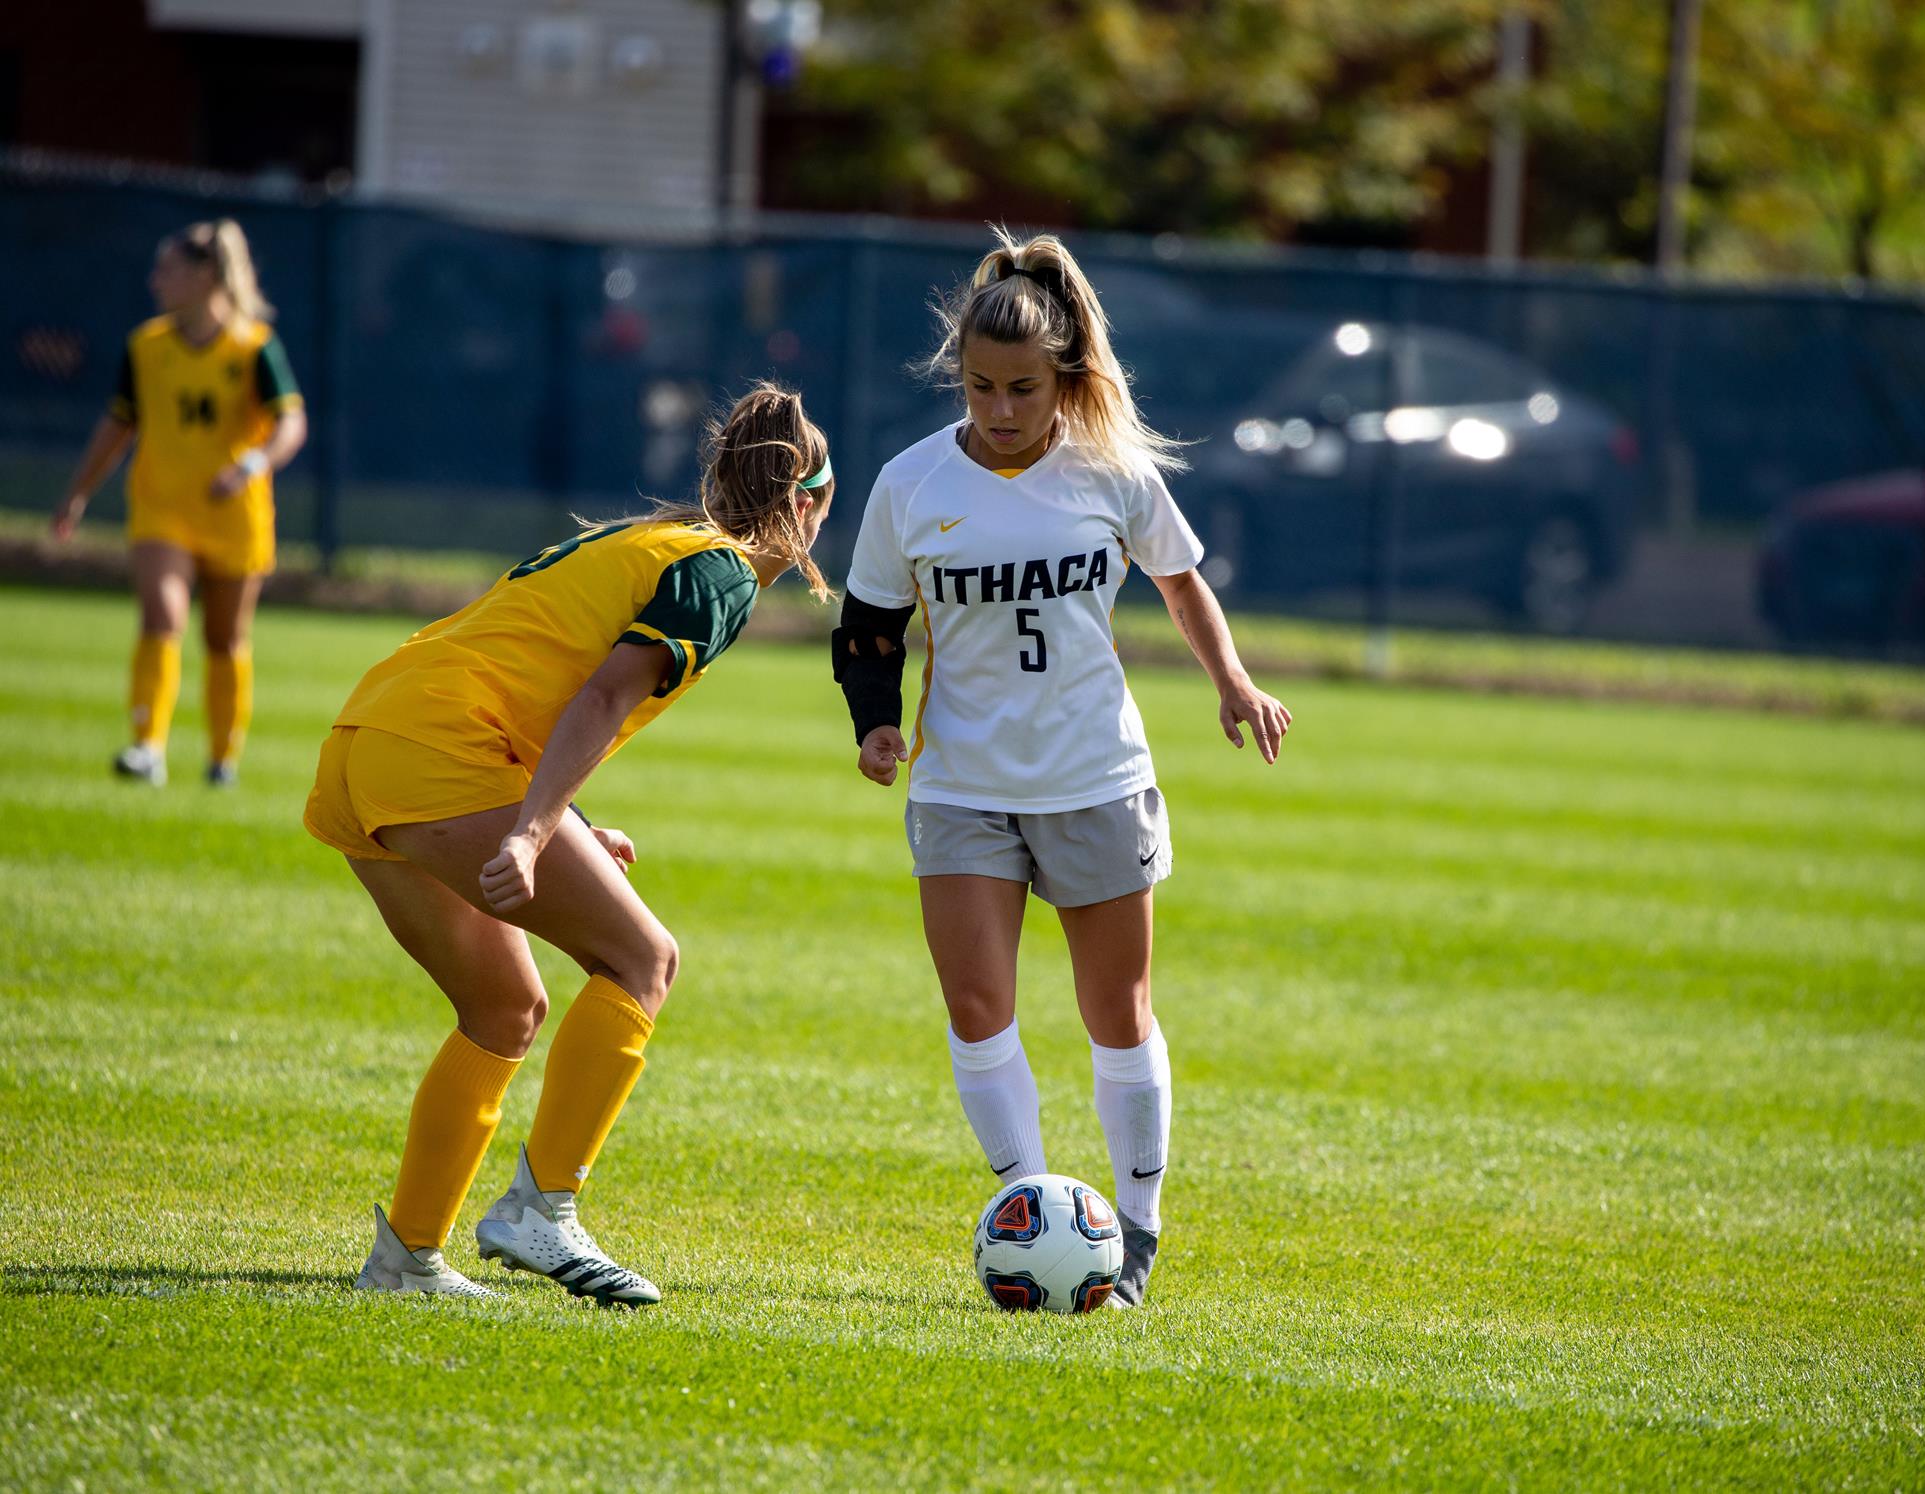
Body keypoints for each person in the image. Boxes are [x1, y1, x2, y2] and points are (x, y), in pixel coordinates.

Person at [832, 230, 1292, 1309]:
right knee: (977, 1003)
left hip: (1093, 776)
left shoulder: (1111, 472)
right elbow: (868, 624)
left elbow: (1180, 583)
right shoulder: (910, 483)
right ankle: (1035, 1208)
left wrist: (1230, 679)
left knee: (1115, 1011)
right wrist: (874, 725)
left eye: (1022, 389)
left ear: (1064, 379)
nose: (998, 409)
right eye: (981, 387)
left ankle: (1132, 1235)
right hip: (961, 785)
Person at [305, 383, 835, 1302]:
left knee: (503, 1006)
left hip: (369, 741)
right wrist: (535, 829)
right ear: (807, 505)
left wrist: (568, 826)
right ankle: (540, 1213)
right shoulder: (720, 572)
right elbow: (596, 699)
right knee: (643, 960)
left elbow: (526, 672)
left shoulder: (646, 540)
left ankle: (404, 1260)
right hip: (441, 751)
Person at [51, 219, 308, 788]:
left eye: (166, 269)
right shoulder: (146, 346)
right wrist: (77, 494)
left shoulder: (253, 346)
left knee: (225, 639)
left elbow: (291, 421)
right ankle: (148, 747)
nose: (154, 280)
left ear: (205, 275)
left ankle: (222, 760)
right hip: (162, 507)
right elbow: (118, 425)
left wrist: (252, 464)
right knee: (162, 615)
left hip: (235, 514)